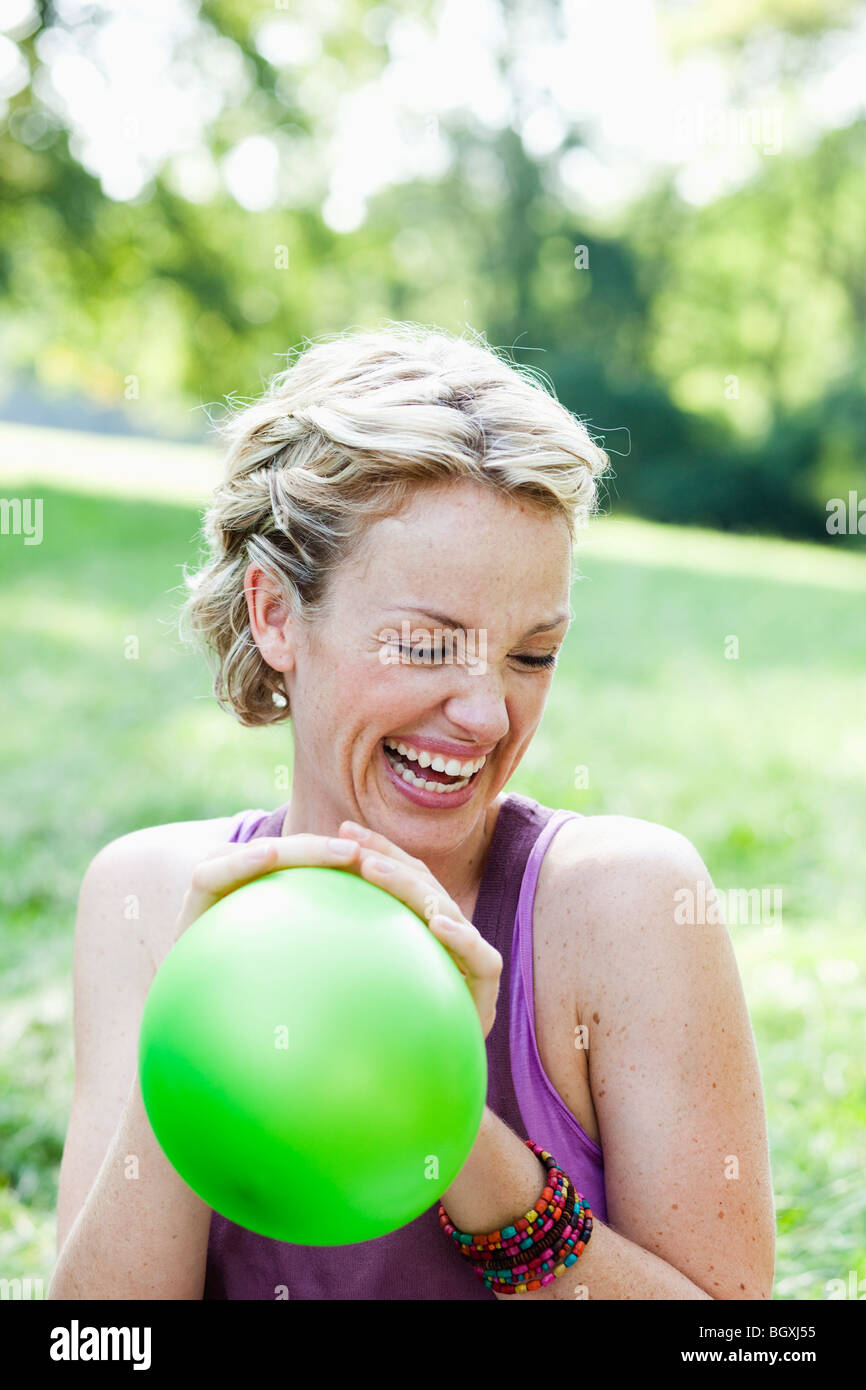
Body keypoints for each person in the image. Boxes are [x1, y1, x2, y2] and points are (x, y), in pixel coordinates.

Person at [48, 322, 775, 1299]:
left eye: (530, 653)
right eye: (425, 646)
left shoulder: (625, 904)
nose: (485, 713)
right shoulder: (146, 898)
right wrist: (193, 1037)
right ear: (274, 615)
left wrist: (454, 1122)